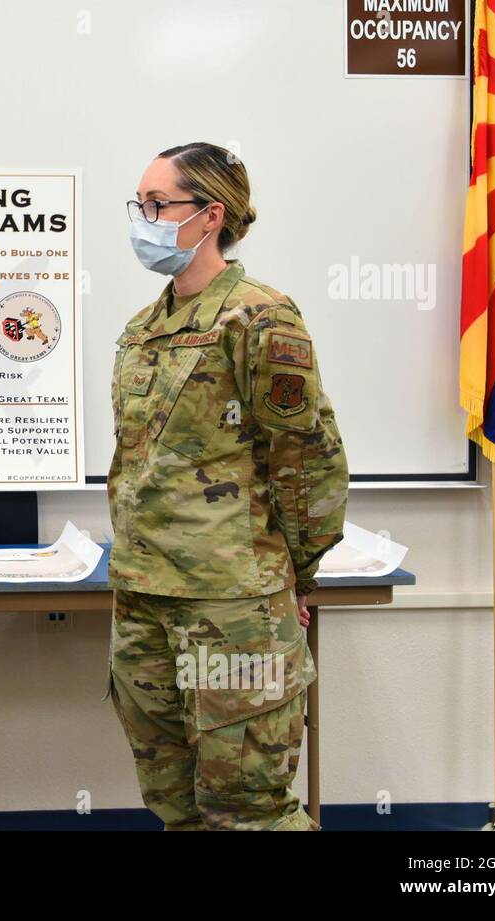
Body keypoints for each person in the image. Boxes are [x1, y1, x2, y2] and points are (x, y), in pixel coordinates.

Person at [106, 142, 348, 830]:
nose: (143, 219)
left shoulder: (258, 317)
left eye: (159, 205)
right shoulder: (143, 329)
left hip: (233, 608)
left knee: (247, 811)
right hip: (144, 601)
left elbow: (306, 456)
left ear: (211, 214)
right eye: (140, 204)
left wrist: (295, 574)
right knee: (174, 804)